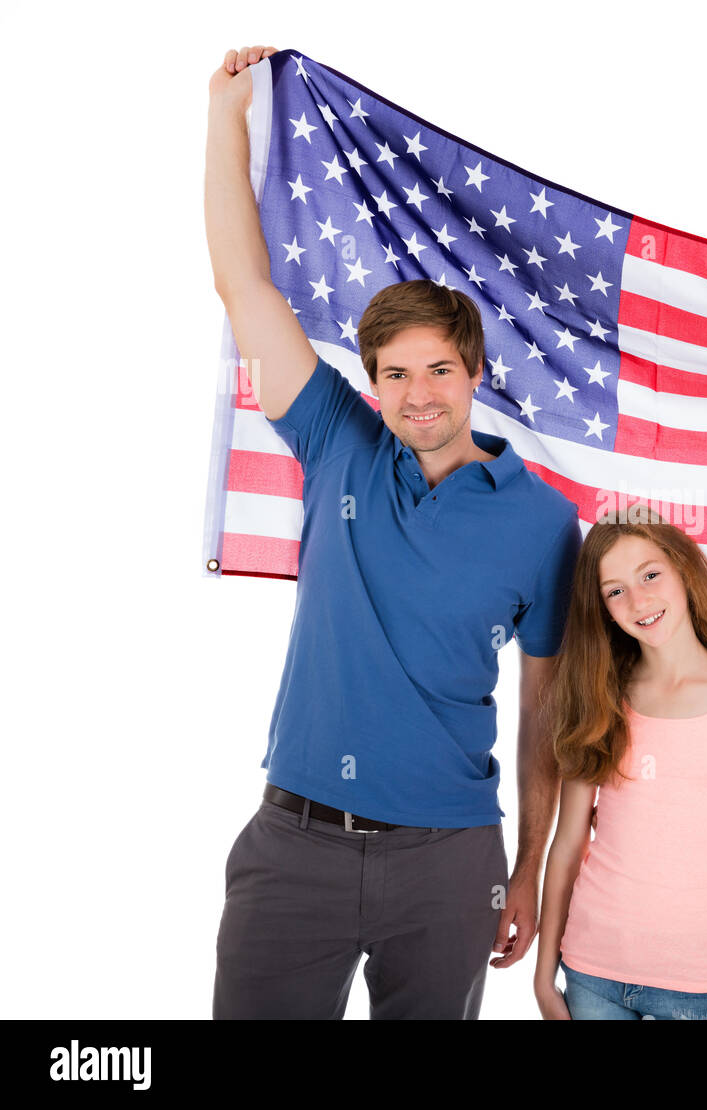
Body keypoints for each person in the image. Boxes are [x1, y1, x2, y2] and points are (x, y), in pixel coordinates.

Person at [206, 45, 582, 1019]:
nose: (418, 395)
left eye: (440, 371)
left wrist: (529, 869)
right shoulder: (337, 441)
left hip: (449, 861)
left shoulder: (544, 520)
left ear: (474, 375)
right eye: (398, 375)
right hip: (294, 848)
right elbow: (245, 288)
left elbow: (544, 713)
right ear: (371, 383)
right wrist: (224, 114)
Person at [533, 511, 707, 1019]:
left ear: (684, 571)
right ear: (602, 609)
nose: (639, 601)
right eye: (615, 591)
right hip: (590, 966)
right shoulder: (603, 696)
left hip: (694, 978)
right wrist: (543, 976)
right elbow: (568, 843)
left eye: (650, 575)